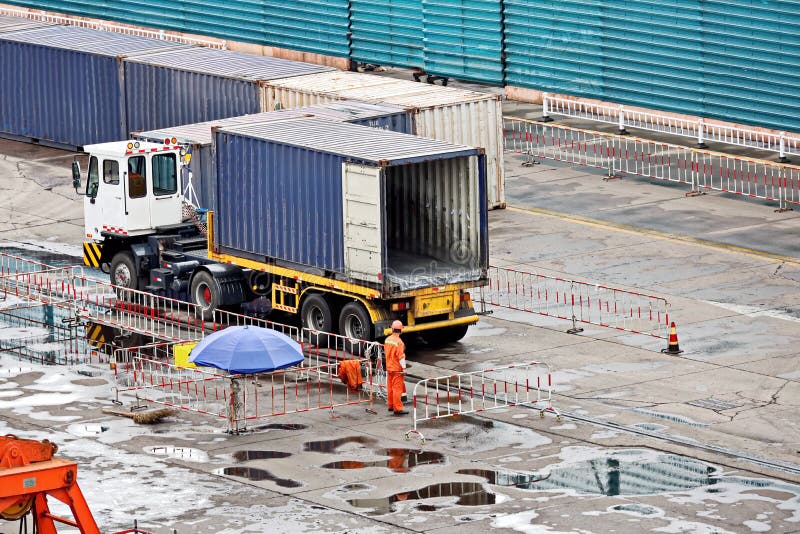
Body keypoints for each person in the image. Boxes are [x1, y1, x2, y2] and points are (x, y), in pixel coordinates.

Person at [385, 320, 408, 415]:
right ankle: (397, 408)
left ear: (392, 329)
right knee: (397, 389)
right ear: (400, 330)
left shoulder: (387, 339)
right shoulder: (399, 342)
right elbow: (401, 357)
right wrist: (404, 368)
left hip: (389, 367)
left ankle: (390, 405)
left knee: (390, 387)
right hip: (397, 369)